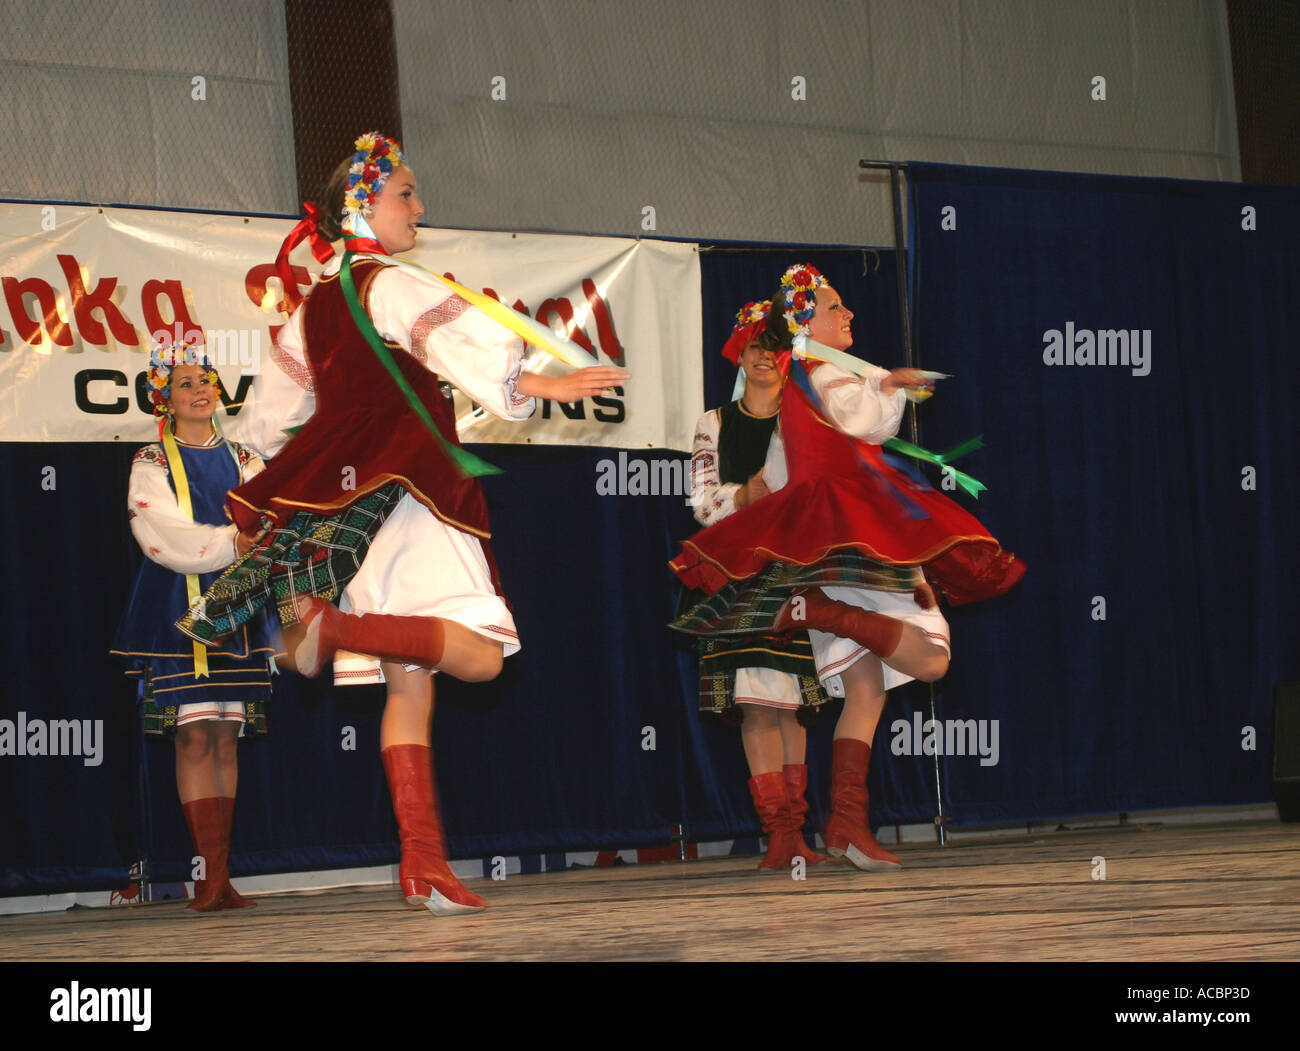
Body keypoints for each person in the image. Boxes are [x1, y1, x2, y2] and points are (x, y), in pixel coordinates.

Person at [188, 132, 627, 916]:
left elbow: (267, 421)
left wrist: (275, 492)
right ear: (364, 205)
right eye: (407, 194)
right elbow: (445, 332)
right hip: (413, 490)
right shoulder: (385, 281)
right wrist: (534, 380)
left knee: (411, 687)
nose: (419, 208)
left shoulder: (312, 310)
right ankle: (334, 630)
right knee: (486, 659)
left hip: (359, 507)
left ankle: (421, 862)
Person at [673, 263, 1024, 871]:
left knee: (860, 688)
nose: (850, 315)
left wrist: (887, 386)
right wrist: (891, 388)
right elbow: (857, 423)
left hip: (816, 548)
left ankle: (846, 823)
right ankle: (812, 824)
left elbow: (792, 470)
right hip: (855, 536)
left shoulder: (802, 389)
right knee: (921, 659)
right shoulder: (805, 382)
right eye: (837, 307)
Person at [112, 344, 274, 911]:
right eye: (185, 383)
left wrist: (261, 541)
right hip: (178, 609)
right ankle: (206, 872)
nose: (200, 389)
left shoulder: (249, 457)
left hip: (242, 610)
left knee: (227, 737)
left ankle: (221, 876)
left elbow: (275, 516)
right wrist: (232, 541)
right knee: (194, 733)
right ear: (166, 399)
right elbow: (161, 531)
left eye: (206, 380)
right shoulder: (151, 461)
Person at [685, 301, 827, 870]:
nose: (764, 358)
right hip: (738, 575)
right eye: (753, 349)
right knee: (756, 706)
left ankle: (797, 830)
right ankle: (777, 833)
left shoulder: (809, 418)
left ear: (787, 354)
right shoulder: (713, 422)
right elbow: (701, 504)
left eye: (773, 348)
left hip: (797, 570)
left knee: (792, 706)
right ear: (739, 358)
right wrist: (750, 494)